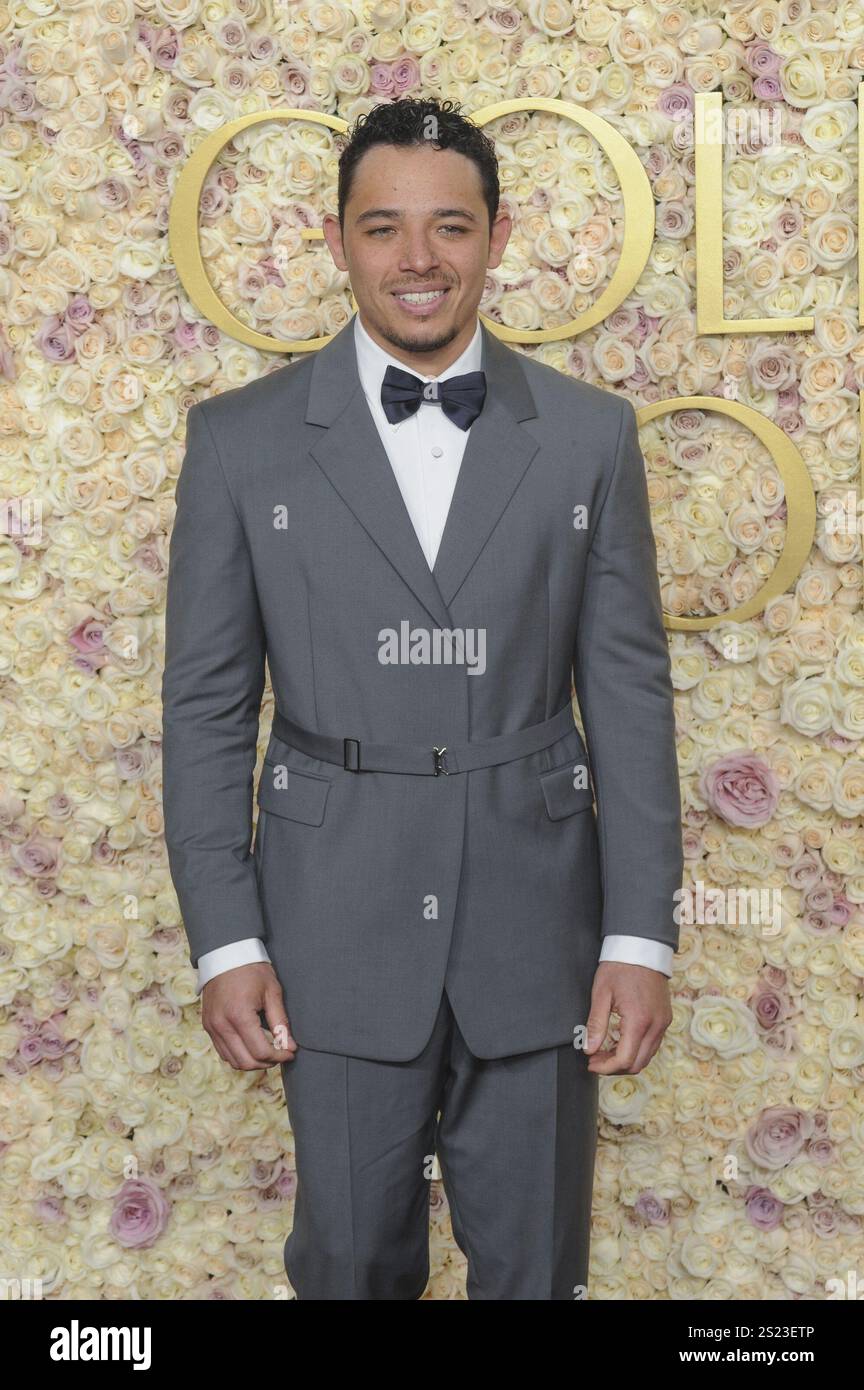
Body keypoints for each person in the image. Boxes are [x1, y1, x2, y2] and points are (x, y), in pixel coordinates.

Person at [161, 96, 683, 1300]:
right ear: (335, 240)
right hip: (327, 927)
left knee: (540, 1273)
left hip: (540, 928)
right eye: (383, 226)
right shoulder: (241, 445)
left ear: (498, 236)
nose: (418, 259)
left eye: (449, 226)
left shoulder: (590, 440)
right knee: (346, 1268)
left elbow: (631, 695)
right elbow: (205, 708)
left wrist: (638, 935)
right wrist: (225, 940)